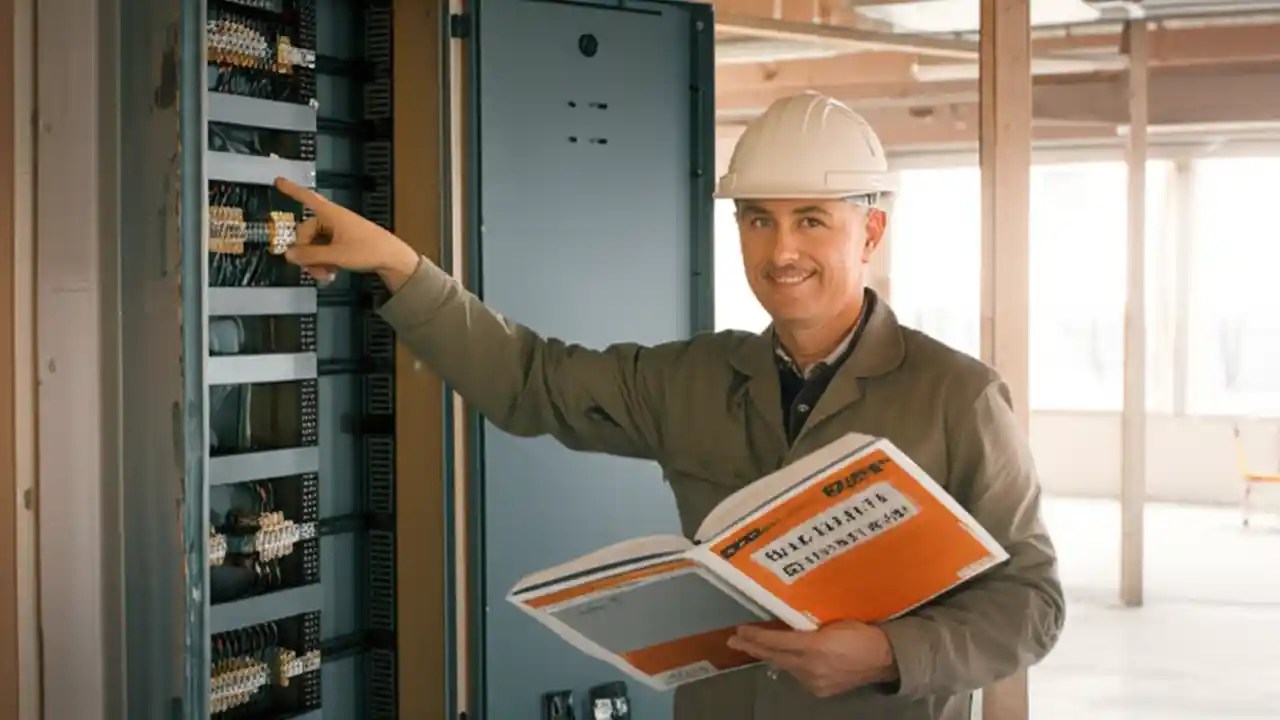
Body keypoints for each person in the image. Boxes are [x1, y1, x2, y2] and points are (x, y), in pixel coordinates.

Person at [273, 91, 1065, 720]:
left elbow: (1031, 604)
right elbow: (529, 380)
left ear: (871, 232)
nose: (781, 250)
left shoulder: (957, 396)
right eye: (758, 219)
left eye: (811, 221)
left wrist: (891, 653)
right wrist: (400, 267)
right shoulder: (692, 377)